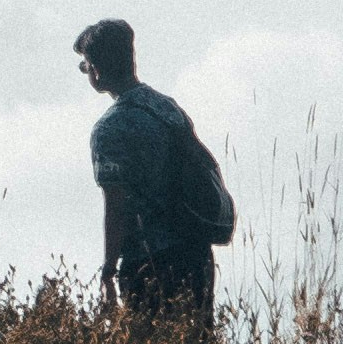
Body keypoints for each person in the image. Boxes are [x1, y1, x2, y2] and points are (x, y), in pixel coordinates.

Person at [73, 18, 234, 321]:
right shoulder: (167, 108)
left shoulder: (109, 129)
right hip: (196, 252)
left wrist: (109, 270)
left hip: (148, 261)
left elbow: (116, 206)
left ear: (95, 69)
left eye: (84, 66)